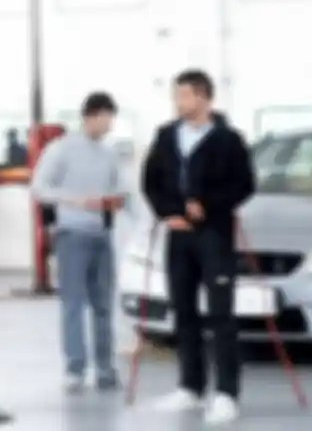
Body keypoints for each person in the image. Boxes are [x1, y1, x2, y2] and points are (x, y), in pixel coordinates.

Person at [141, 69, 255, 426]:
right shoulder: (165, 136)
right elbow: (151, 181)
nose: (178, 103)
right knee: (183, 309)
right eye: (176, 96)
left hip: (215, 235)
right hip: (178, 235)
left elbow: (245, 184)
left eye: (185, 96)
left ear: (205, 98)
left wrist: (208, 205)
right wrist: (168, 213)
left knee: (221, 314)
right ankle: (190, 387)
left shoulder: (229, 139)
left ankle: (226, 393)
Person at [31, 92, 127, 392]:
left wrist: (117, 202)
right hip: (71, 235)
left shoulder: (108, 153)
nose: (110, 126)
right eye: (107, 119)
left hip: (101, 236)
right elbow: (39, 188)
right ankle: (75, 369)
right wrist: (74, 201)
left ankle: (105, 368)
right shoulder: (60, 150)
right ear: (92, 115)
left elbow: (120, 189)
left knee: (103, 306)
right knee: (73, 304)